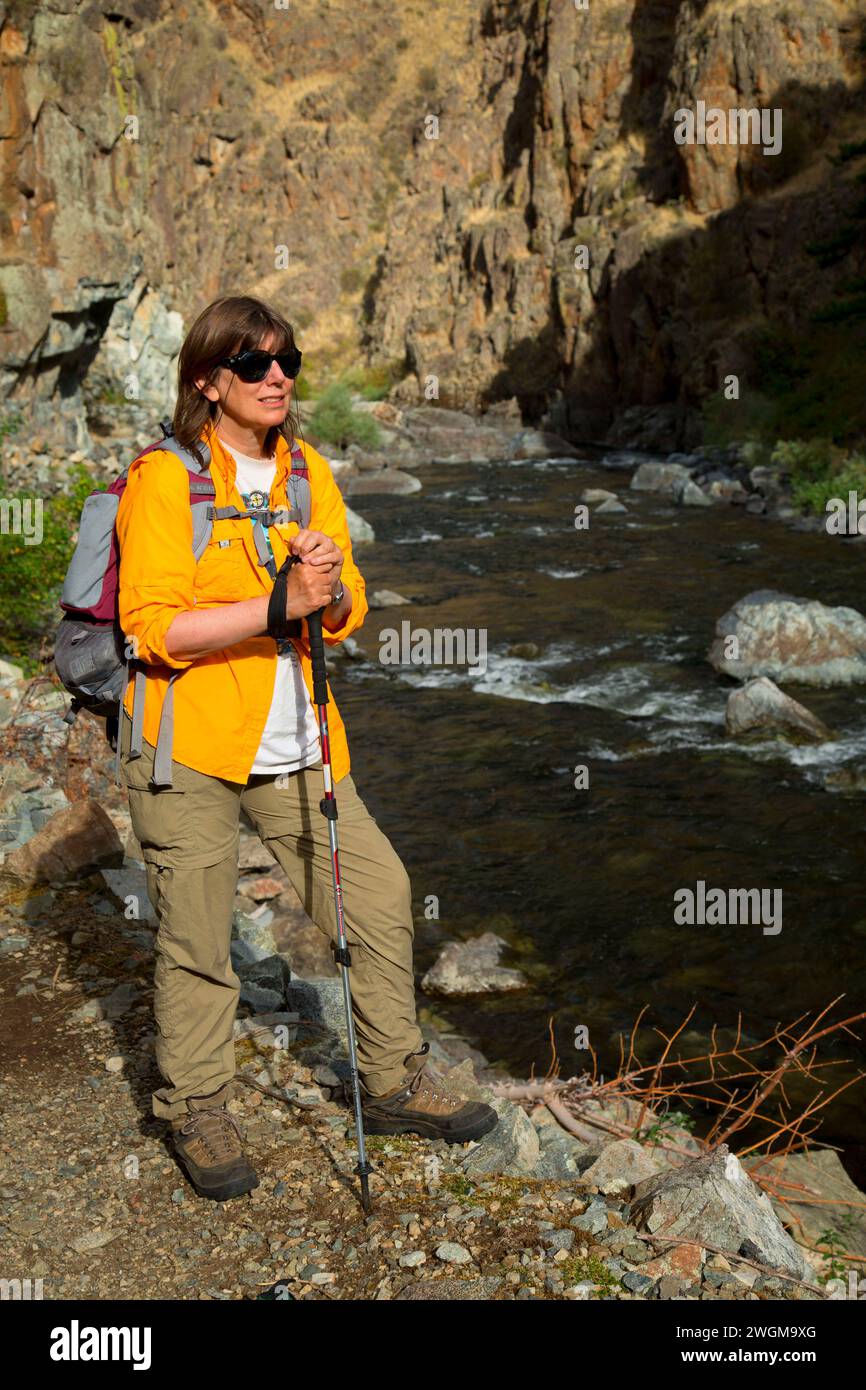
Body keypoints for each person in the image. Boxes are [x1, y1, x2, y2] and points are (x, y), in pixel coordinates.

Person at [115, 294, 497, 1201]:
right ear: (208, 381)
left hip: (301, 742)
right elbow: (151, 629)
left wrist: (325, 595)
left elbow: (350, 604)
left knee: (379, 895)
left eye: (286, 361)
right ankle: (197, 1105)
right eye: (252, 364)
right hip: (188, 744)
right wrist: (280, 604)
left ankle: (395, 1077)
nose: (276, 376)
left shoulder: (307, 472)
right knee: (198, 935)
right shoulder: (164, 479)